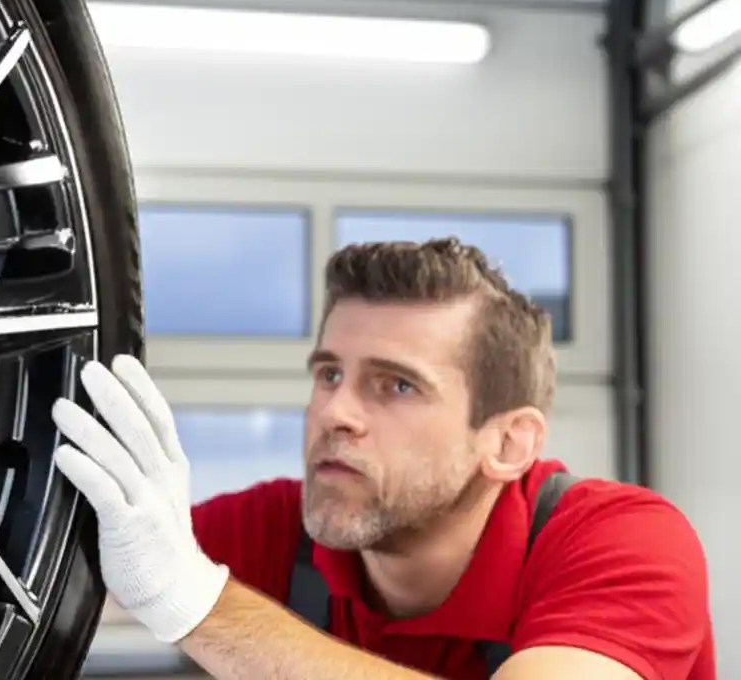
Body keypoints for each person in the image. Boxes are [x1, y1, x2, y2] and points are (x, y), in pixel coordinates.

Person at [51, 237, 715, 679]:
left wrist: (190, 598)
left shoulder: (623, 542)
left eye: (397, 385)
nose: (336, 412)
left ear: (509, 444)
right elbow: (39, 576)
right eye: (329, 374)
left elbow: (181, 588)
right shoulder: (275, 530)